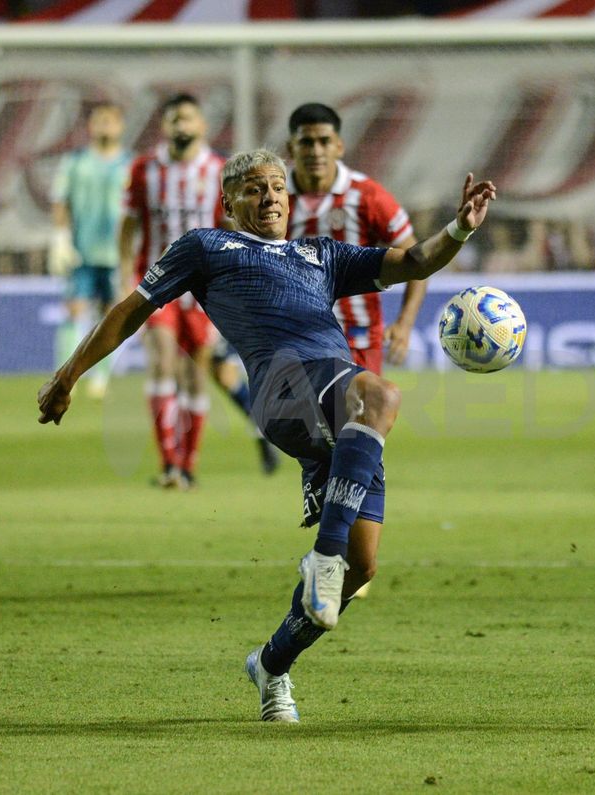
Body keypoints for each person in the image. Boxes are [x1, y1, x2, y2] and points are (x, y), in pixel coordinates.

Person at [38, 149, 496, 723]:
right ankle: (322, 557)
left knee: (362, 567)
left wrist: (460, 227)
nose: (271, 196)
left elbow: (417, 261)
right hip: (284, 389)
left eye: (277, 186)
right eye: (254, 188)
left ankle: (272, 665)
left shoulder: (320, 254)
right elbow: (132, 309)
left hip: (335, 405)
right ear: (228, 204)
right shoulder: (206, 247)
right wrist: (69, 375)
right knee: (382, 397)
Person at [119, 93, 225, 489]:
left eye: (188, 118)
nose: (181, 125)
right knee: (162, 362)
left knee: (195, 375)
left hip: (204, 290)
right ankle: (168, 464)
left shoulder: (219, 171)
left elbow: (228, 228)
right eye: (174, 118)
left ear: (202, 125)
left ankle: (188, 465)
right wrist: (124, 278)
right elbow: (128, 227)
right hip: (156, 282)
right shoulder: (145, 169)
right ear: (164, 126)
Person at [285, 103, 426, 373]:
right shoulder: (274, 197)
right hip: (295, 338)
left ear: (339, 146)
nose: (316, 151)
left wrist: (405, 324)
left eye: (324, 141)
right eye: (306, 142)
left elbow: (418, 260)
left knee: (366, 403)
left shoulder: (367, 196)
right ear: (291, 148)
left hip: (356, 339)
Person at [49, 102, 131, 398]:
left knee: (110, 315)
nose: (105, 126)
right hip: (81, 251)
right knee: (74, 308)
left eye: (110, 120)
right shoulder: (75, 162)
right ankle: (64, 375)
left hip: (116, 253)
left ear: (120, 126)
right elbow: (60, 200)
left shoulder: (131, 164)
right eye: (100, 121)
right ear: (90, 126)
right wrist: (61, 237)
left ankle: (102, 377)